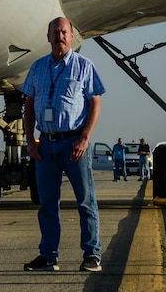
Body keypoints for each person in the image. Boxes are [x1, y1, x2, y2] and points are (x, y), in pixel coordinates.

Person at [21, 16, 106, 272]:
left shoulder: (84, 66)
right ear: (48, 37)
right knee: (47, 204)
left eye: (64, 32)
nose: (59, 36)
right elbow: (28, 107)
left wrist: (84, 137)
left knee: (85, 201)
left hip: (73, 143)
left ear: (72, 37)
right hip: (45, 144)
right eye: (55, 32)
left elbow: (95, 103)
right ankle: (48, 256)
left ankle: (92, 255)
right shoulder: (36, 68)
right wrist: (30, 142)